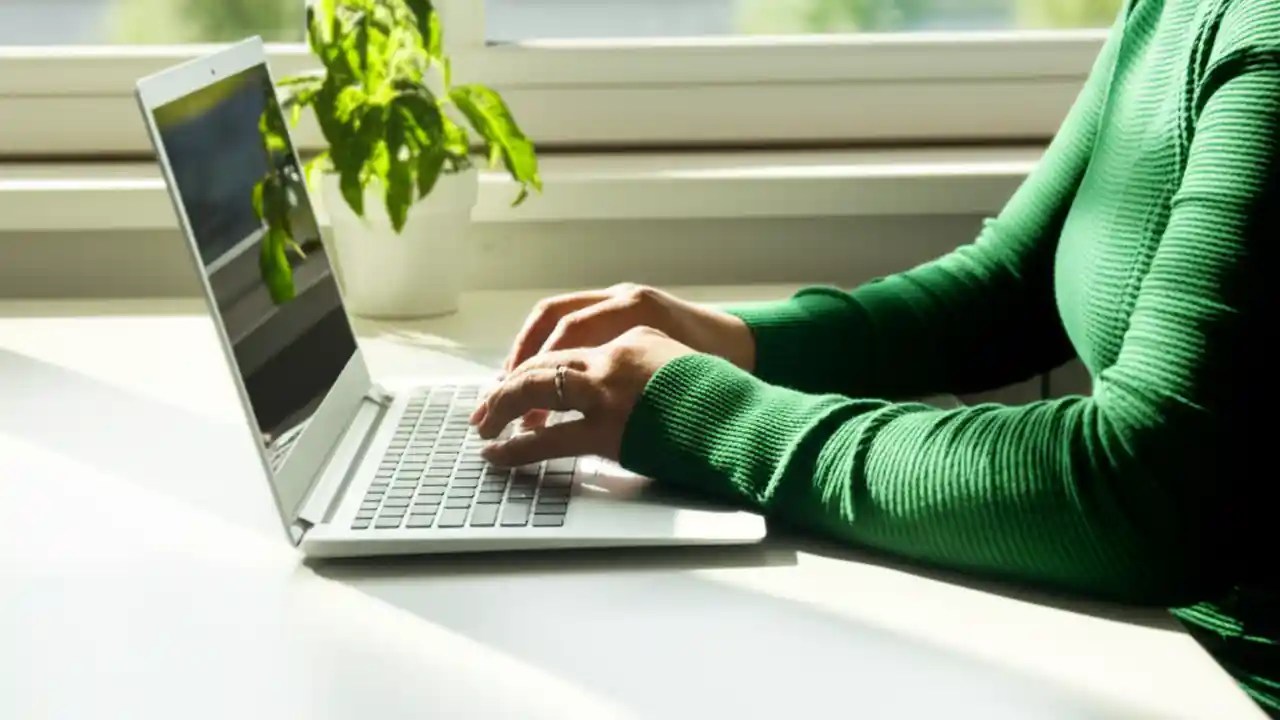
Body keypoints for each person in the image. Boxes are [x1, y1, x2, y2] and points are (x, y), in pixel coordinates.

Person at [468, 0, 1279, 713]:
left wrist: (705, 413)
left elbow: (1147, 486)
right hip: (1164, 649)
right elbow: (1008, 287)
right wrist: (739, 338)